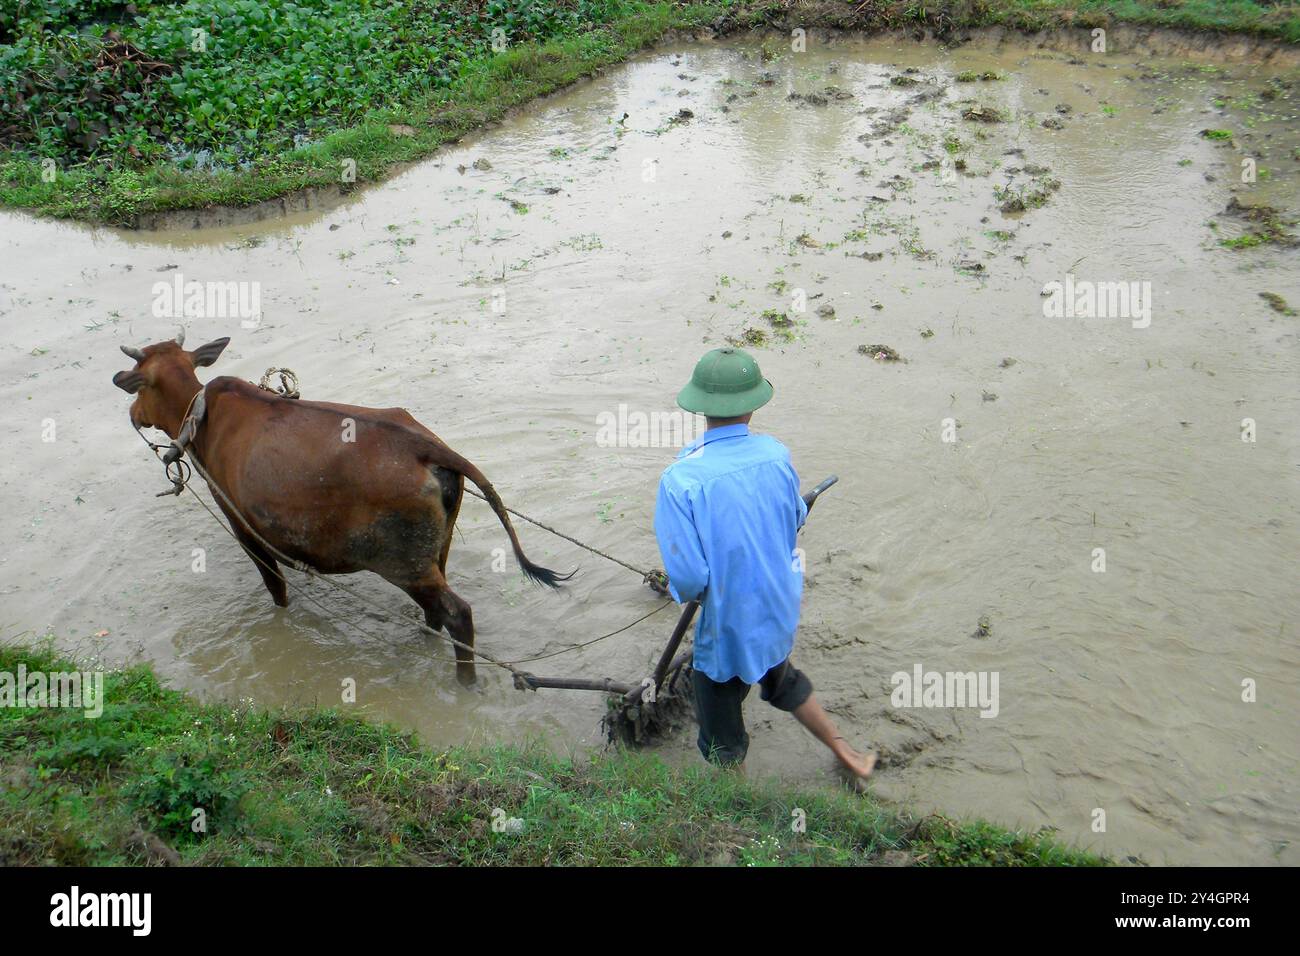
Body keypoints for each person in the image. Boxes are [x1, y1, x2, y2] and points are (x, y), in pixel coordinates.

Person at [653, 347, 876, 783]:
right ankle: (845, 752)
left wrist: (689, 591)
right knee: (779, 676)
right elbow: (793, 519)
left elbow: (689, 577)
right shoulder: (777, 455)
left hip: (730, 620)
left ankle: (730, 798)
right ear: (754, 405)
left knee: (719, 720)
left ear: (700, 406)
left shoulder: (680, 479)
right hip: (777, 602)